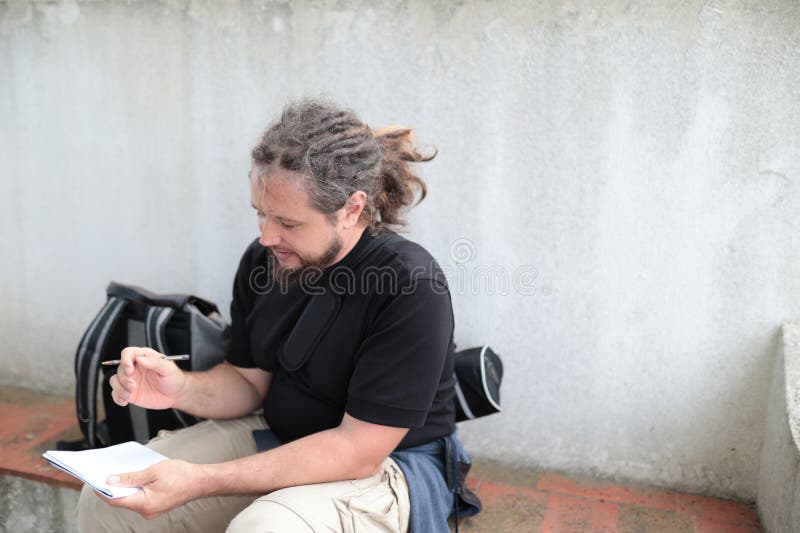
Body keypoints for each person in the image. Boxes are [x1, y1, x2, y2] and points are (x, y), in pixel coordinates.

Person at [76, 99, 479, 532]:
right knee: (110, 496)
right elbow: (249, 383)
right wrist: (178, 390)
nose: (267, 236)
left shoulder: (407, 283)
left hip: (386, 464)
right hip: (277, 432)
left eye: (287, 222)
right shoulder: (265, 261)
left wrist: (200, 481)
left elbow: (358, 450)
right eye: (260, 214)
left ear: (351, 208)